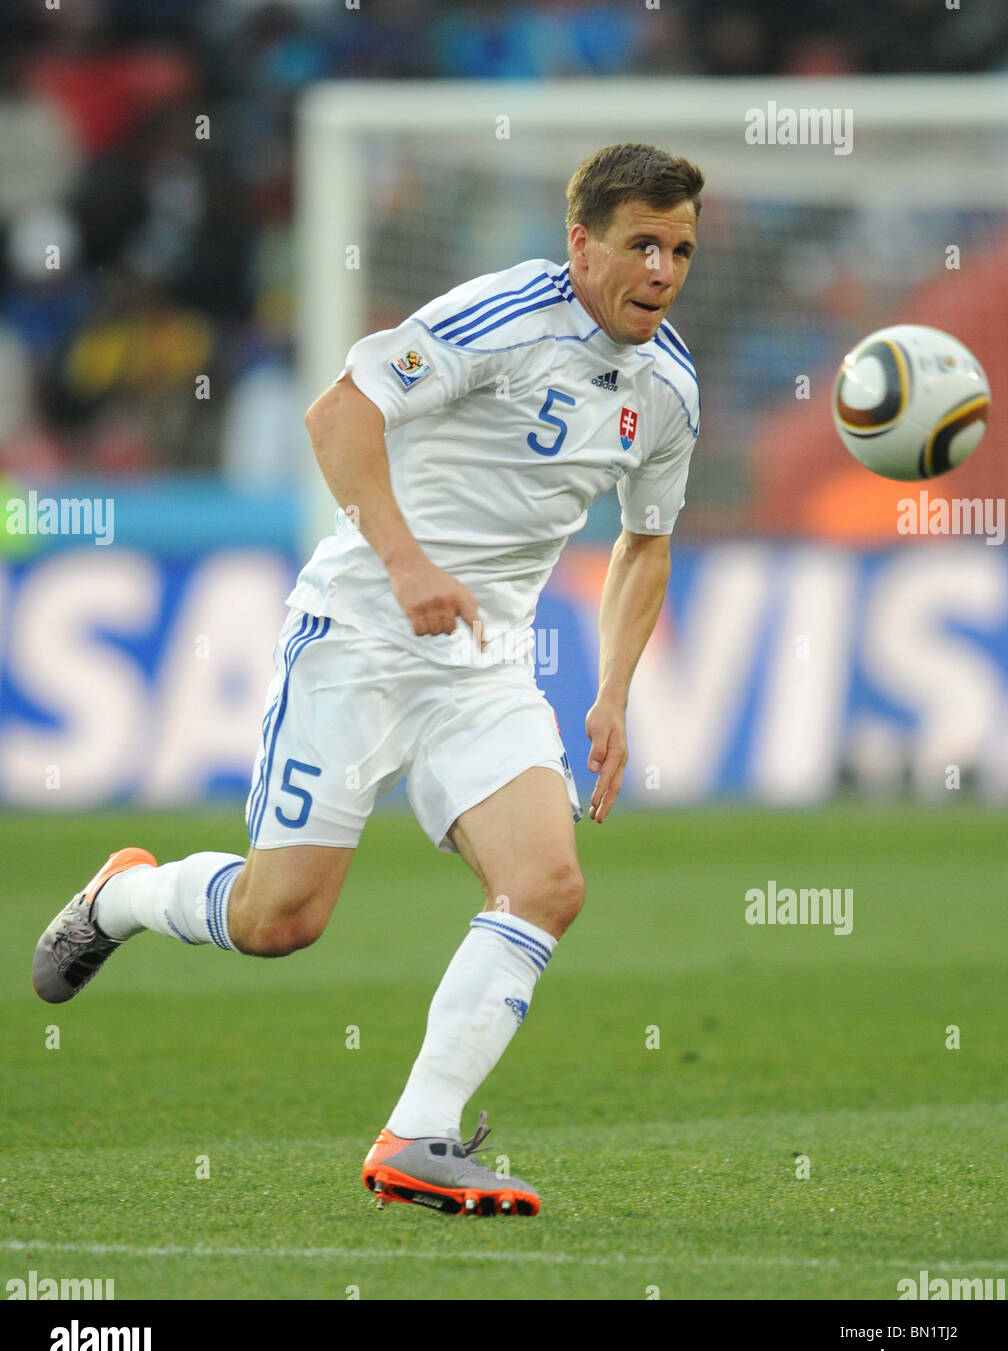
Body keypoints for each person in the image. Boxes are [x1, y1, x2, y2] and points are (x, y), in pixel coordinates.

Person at [33, 142, 703, 1218]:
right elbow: (337, 413)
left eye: (679, 250)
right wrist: (406, 560)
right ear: (582, 245)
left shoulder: (668, 387)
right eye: (641, 247)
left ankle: (418, 1137)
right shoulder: (501, 318)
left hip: (483, 661)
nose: (662, 272)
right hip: (358, 632)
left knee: (547, 884)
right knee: (278, 919)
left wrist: (615, 688)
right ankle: (123, 894)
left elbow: (646, 541)